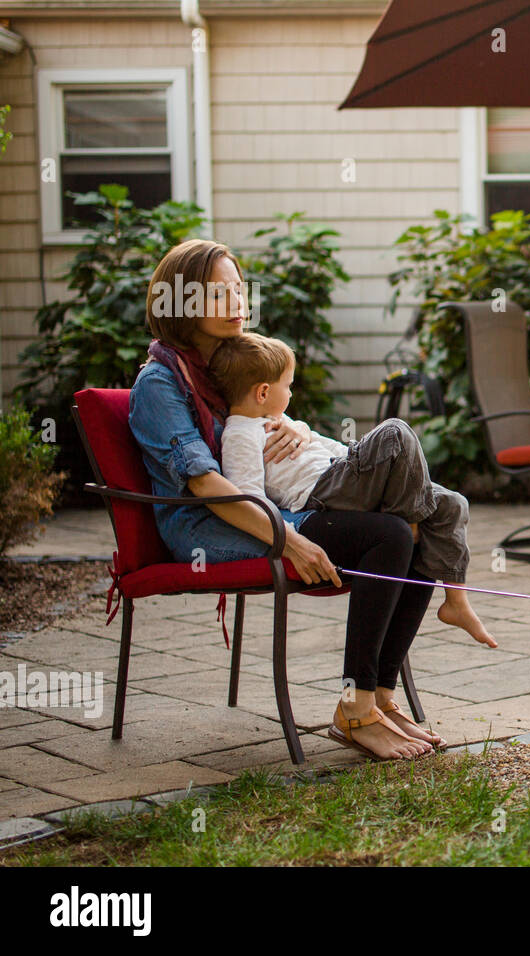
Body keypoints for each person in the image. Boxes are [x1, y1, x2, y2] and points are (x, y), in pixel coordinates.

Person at [129, 238, 485, 761]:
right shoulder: (161, 384)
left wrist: (295, 429)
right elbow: (206, 486)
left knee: (414, 524)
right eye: (220, 293)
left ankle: (378, 699)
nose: (239, 304)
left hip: (270, 507)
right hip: (208, 527)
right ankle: (356, 708)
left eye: (239, 290)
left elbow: (264, 438)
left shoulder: (226, 369)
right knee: (390, 534)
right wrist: (289, 541)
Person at [206, 331, 496, 649]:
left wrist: (308, 432)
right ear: (263, 392)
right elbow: (250, 497)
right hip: (324, 492)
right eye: (287, 386)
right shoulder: (240, 436)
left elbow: (331, 447)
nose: (290, 391)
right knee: (395, 432)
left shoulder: (277, 419)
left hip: (343, 472)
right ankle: (407, 522)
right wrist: (288, 537)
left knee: (451, 503)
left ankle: (456, 601)